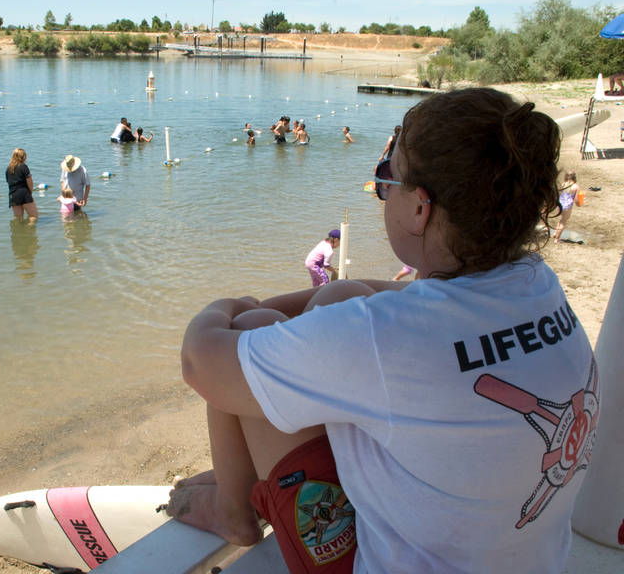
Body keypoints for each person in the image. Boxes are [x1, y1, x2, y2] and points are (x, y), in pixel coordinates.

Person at [167, 88, 597, 574]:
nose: (381, 189)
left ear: (420, 208)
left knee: (250, 329)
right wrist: (308, 300)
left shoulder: (390, 340)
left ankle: (233, 511)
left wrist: (229, 306)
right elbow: (394, 302)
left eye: (386, 178)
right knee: (335, 297)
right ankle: (240, 485)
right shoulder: (538, 284)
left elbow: (200, 363)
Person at [5, 148, 37, 221]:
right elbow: (30, 182)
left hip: (13, 194)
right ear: (24, 156)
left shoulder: (8, 168)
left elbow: (8, 182)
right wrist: (30, 193)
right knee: (33, 216)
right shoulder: (23, 166)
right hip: (23, 192)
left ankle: (18, 231)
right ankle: (29, 230)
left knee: (18, 218)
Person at [553, 170, 579, 243]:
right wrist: (578, 204)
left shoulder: (563, 184)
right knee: (563, 222)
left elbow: (559, 194)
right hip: (568, 206)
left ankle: (555, 233)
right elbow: (576, 199)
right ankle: (557, 239)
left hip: (560, 204)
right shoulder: (576, 186)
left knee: (561, 220)